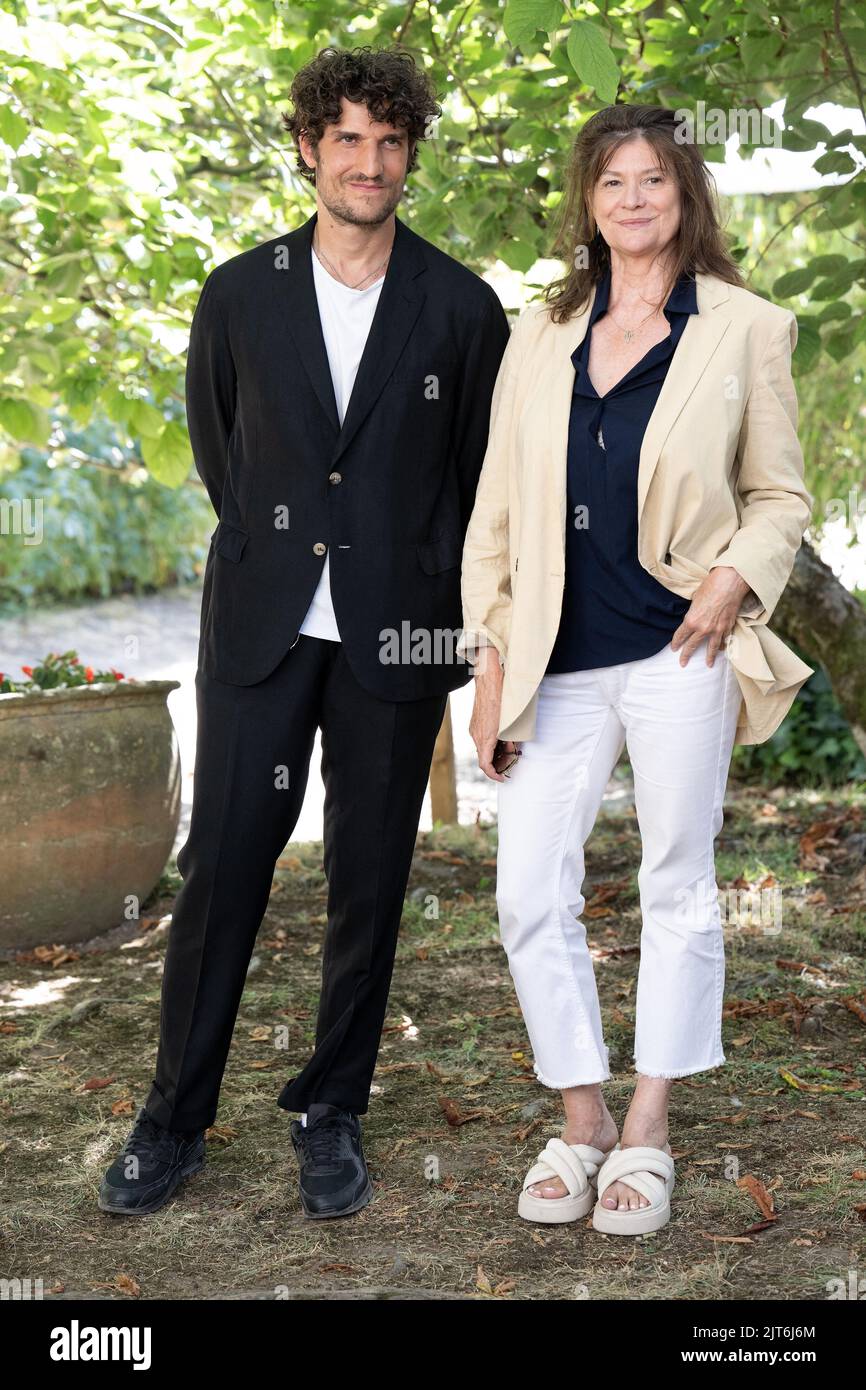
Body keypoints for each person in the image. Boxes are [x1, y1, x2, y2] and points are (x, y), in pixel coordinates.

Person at [99, 45, 509, 1221]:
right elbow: (225, 456)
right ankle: (172, 1116)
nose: (367, 163)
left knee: (369, 878)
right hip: (262, 627)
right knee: (223, 866)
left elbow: (473, 482)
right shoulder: (239, 291)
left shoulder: (460, 305)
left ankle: (331, 1107)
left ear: (409, 155)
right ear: (306, 149)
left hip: (399, 636)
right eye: (346, 140)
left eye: (388, 143)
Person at [458, 104, 813, 1236]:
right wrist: (488, 663)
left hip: (679, 650)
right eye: (610, 180)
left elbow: (780, 498)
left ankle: (649, 1128)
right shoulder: (538, 337)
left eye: (652, 178)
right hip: (552, 666)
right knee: (525, 892)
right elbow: (498, 518)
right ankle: (582, 1113)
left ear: (682, 195)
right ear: (588, 201)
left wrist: (731, 581)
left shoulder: (744, 329)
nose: (630, 197)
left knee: (674, 883)